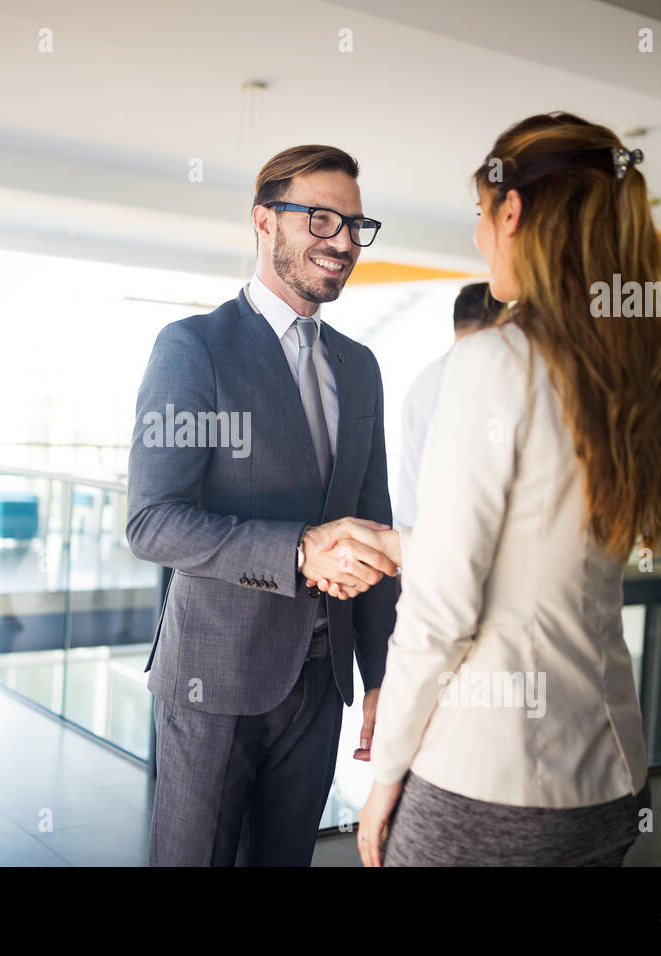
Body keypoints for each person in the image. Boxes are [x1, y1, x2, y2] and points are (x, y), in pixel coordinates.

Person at [340, 112, 661, 866]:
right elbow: (544, 553)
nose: (478, 236)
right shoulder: (638, 375)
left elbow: (442, 612)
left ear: (514, 211)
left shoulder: (496, 361)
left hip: (494, 779)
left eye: (479, 214)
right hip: (610, 776)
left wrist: (382, 780)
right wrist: (406, 542)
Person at [127, 144, 400, 866]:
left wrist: (382, 679)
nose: (342, 241)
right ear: (263, 221)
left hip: (321, 680)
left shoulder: (360, 367)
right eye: (320, 219)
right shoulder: (194, 349)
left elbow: (374, 529)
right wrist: (300, 548)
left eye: (354, 225)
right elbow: (152, 521)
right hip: (214, 675)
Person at [393, 281, 505, 528]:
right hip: (457, 537)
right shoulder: (487, 378)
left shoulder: (424, 381)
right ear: (502, 323)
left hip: (415, 532)